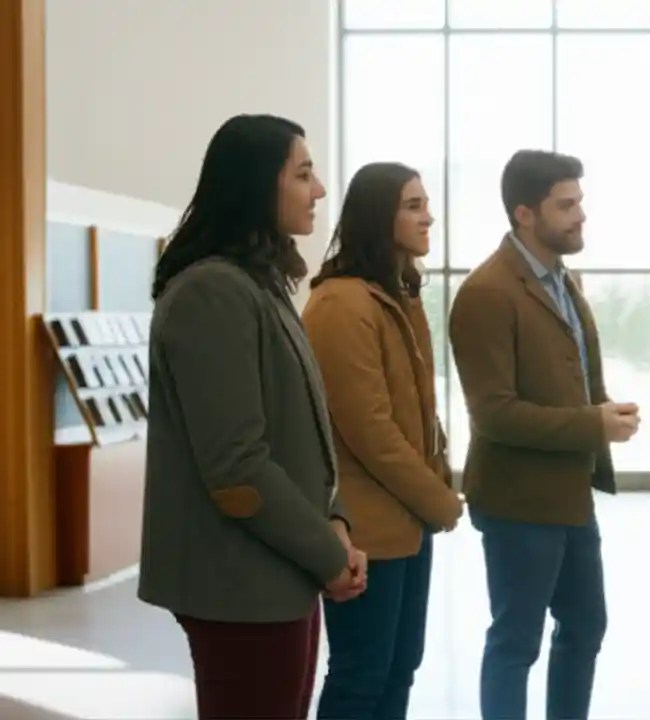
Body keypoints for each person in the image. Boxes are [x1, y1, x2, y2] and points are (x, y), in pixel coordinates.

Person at [137, 113, 368, 720]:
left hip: (279, 574)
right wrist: (326, 550)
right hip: (240, 585)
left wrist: (336, 525)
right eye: (303, 173)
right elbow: (236, 465)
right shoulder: (212, 292)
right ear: (255, 184)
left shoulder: (257, 285)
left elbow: (305, 433)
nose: (319, 190)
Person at [448, 149, 640, 720]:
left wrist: (600, 407)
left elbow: (565, 375)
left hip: (569, 494)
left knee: (585, 625)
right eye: (566, 205)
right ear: (524, 213)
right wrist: (593, 424)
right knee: (517, 640)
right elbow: (493, 414)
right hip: (518, 501)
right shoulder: (487, 292)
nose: (580, 215)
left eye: (579, 201)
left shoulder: (561, 280)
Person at [301, 161, 465, 719]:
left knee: (399, 668)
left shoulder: (396, 293)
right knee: (362, 674)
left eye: (426, 204)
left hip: (407, 522)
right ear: (379, 215)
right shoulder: (342, 304)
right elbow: (369, 429)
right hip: (367, 527)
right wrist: (439, 499)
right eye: (413, 206)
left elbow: (418, 414)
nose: (429, 217)